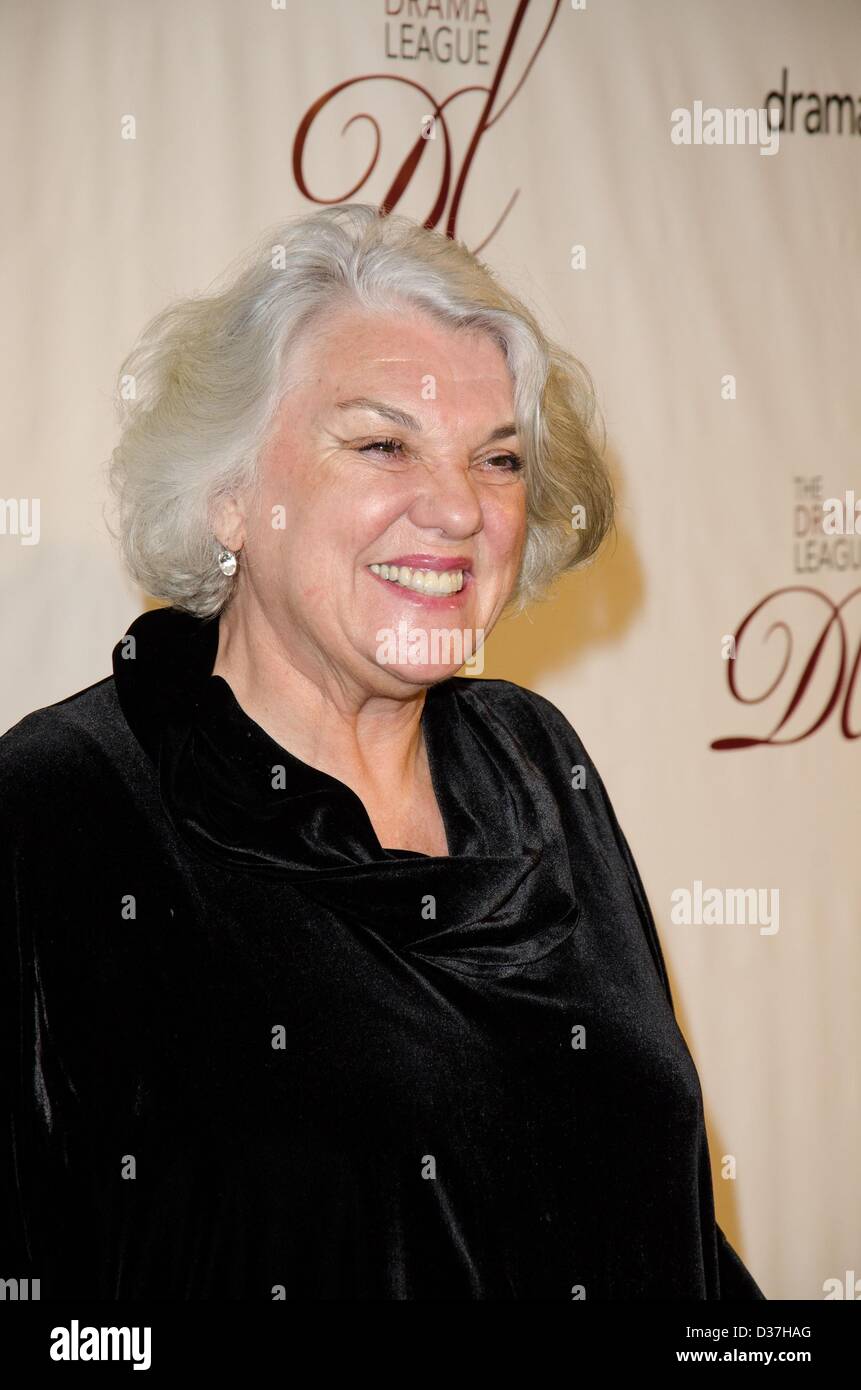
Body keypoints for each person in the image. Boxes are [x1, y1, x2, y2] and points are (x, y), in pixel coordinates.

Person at [0, 203, 765, 1299]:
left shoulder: (537, 765)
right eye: (381, 443)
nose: (457, 509)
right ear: (228, 494)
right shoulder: (65, 806)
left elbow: (669, 1232)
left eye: (496, 459)